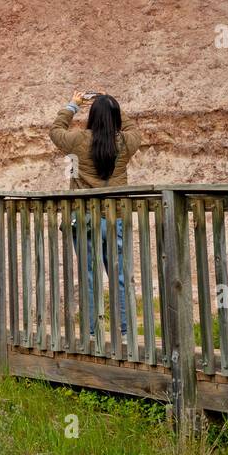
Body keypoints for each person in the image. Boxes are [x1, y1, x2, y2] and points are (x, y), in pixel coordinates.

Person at [50, 91, 142, 341]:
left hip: (85, 219)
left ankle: (91, 332)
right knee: (120, 276)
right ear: (115, 117)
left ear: (92, 115)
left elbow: (56, 130)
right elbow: (135, 130)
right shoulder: (124, 142)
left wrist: (73, 104)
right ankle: (124, 332)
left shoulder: (78, 139)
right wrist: (111, 102)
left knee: (89, 276)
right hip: (115, 219)